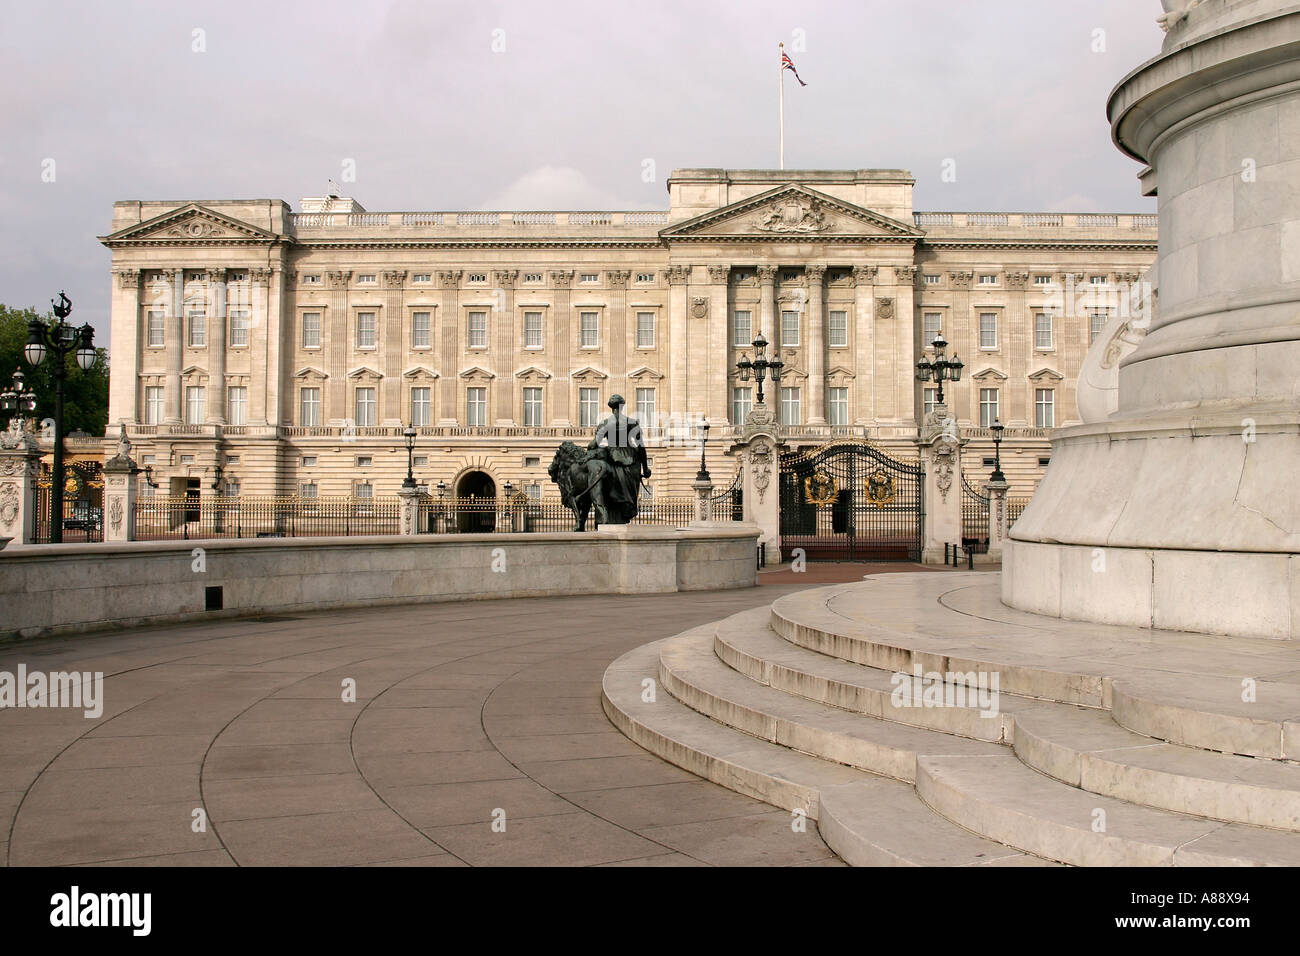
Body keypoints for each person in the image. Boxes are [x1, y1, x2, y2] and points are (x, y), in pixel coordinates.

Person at [586, 394, 651, 523]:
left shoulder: (604, 424)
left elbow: (593, 445)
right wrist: (645, 468)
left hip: (610, 456)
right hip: (629, 458)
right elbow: (641, 447)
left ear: (611, 407)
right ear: (622, 407)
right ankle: (626, 507)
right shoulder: (631, 423)